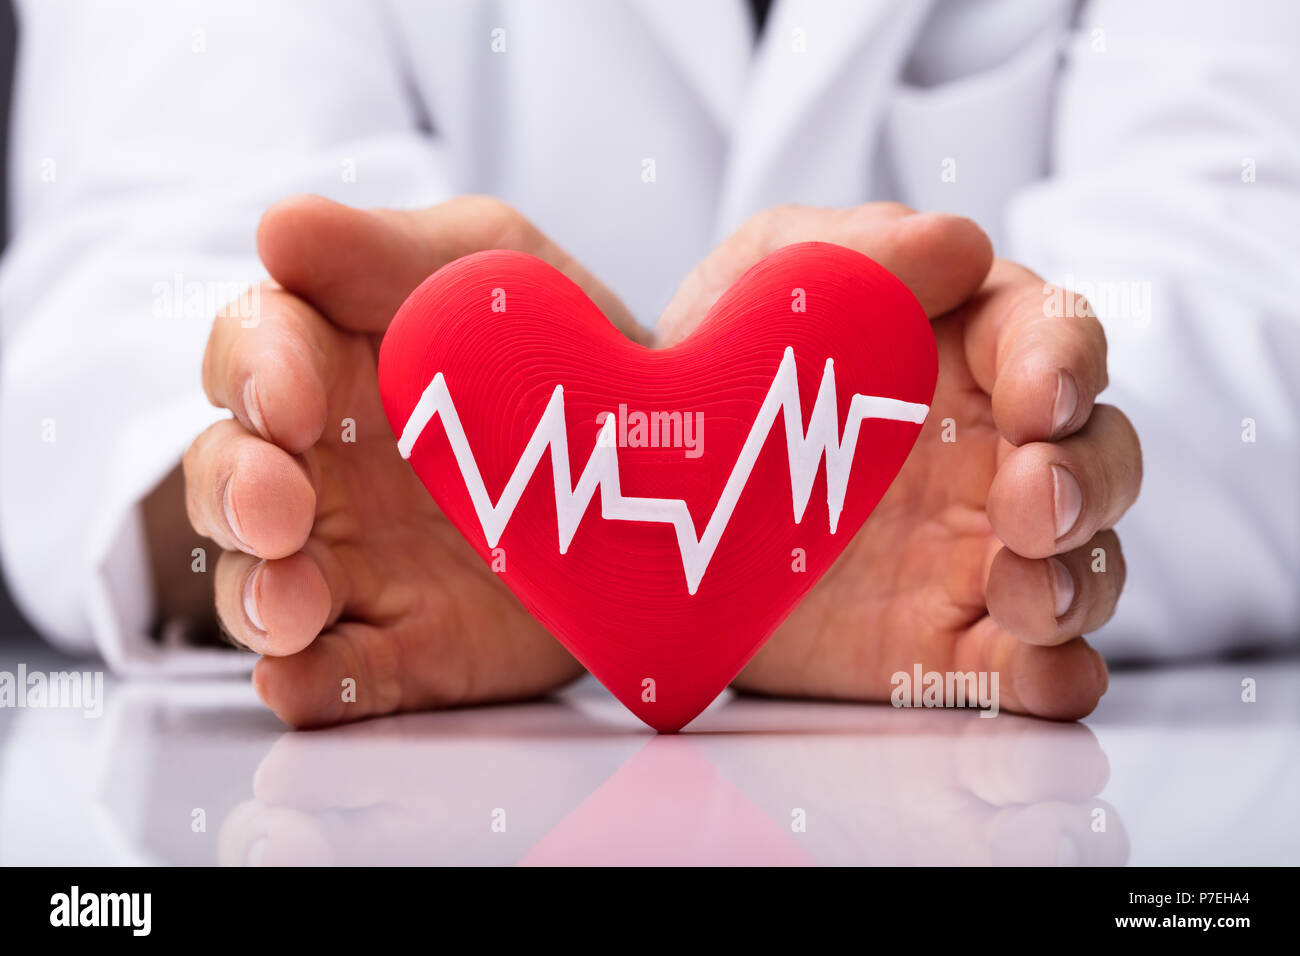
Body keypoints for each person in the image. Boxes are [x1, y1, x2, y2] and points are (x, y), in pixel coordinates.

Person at [1, 1, 1294, 726]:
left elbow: (1254, 245)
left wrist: (1002, 435)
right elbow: (136, 257)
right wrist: (287, 471)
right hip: (441, 572)